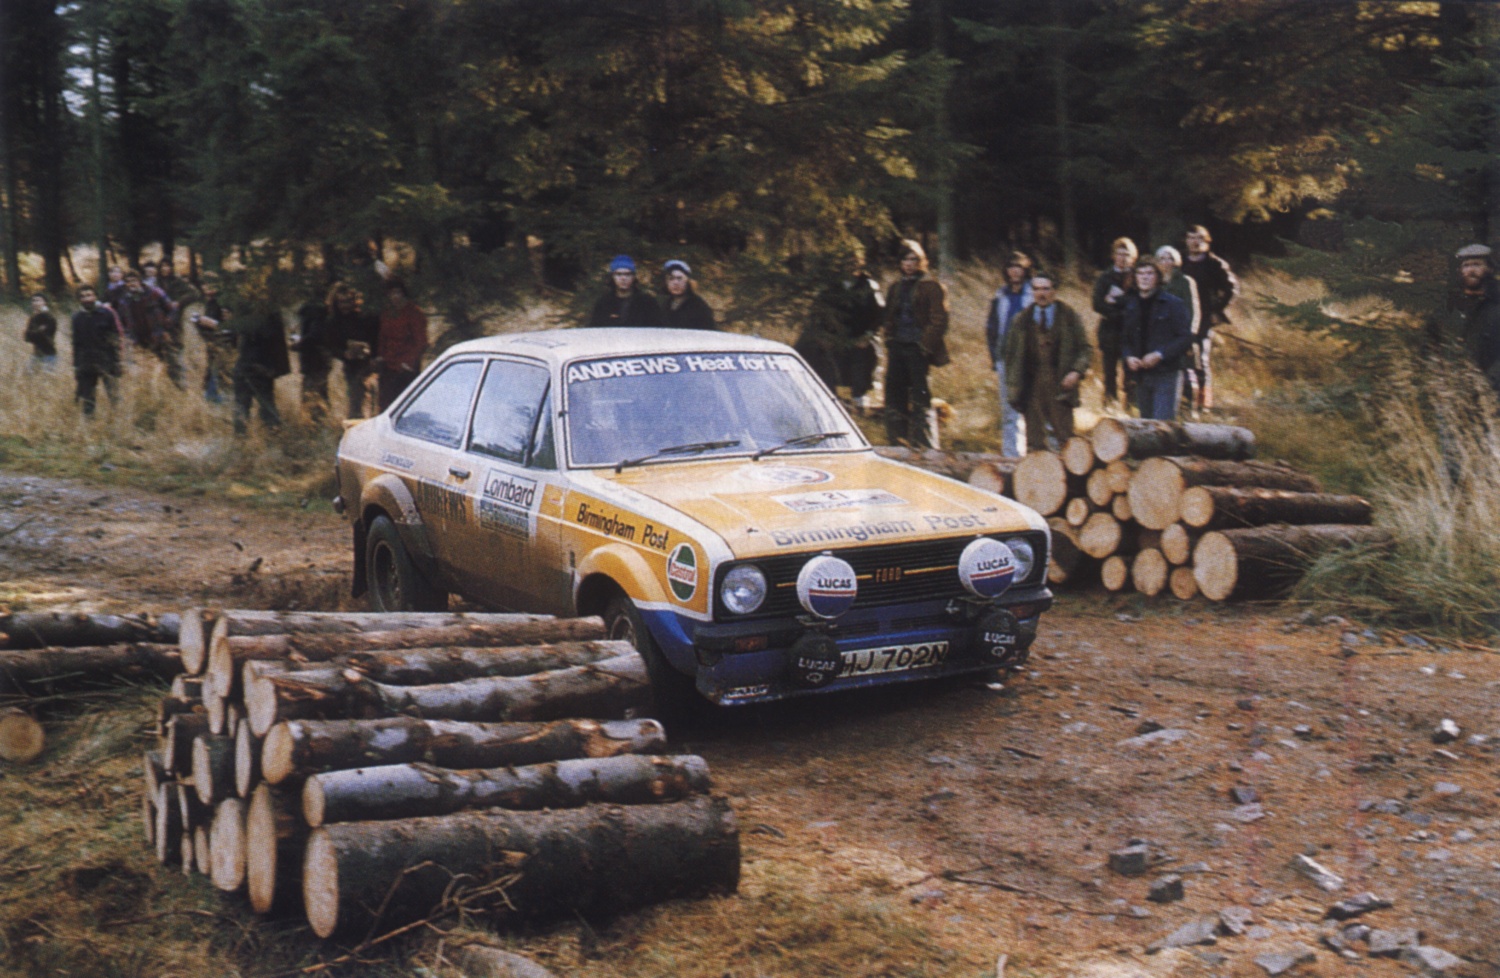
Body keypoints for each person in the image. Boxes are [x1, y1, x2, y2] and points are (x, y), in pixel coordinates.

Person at [1001, 271, 1091, 452]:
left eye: (1046, 289)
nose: (1041, 294)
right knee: (1035, 444)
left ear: (1054, 291)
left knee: (1065, 441)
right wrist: (1014, 388)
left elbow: (1085, 349)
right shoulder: (1021, 320)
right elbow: (1009, 356)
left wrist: (1076, 372)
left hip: (1061, 386)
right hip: (1031, 387)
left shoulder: (1069, 316)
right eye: (1036, 289)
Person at [882, 239, 950, 448]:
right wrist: (889, 339)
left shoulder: (932, 287)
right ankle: (898, 444)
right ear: (900, 262)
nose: (909, 264)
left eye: (914, 259)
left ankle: (927, 446)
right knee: (894, 396)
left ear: (921, 261)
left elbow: (939, 320)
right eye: (905, 259)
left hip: (917, 349)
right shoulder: (895, 287)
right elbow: (889, 317)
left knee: (921, 399)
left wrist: (924, 346)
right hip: (897, 347)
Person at [795, 250, 884, 408]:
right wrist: (825, 337)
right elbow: (818, 313)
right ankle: (830, 398)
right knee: (817, 354)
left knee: (863, 356)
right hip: (835, 338)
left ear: (861, 263)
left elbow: (880, 315)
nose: (850, 266)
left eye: (854, 261)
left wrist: (868, 335)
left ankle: (860, 398)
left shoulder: (869, 286)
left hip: (861, 338)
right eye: (846, 261)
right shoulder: (831, 287)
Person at [1122, 257, 1194, 420]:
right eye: (1140, 274)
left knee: (1162, 426)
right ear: (1134, 278)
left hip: (1167, 373)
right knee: (1146, 426)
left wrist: (1160, 354)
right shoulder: (1131, 305)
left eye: (1149, 273)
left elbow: (1185, 338)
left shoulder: (1173, 304)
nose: (1144, 277)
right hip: (1142, 375)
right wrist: (1128, 356)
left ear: (1158, 277)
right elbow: (1126, 339)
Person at [1179, 224, 1239, 412]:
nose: (1195, 242)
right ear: (1186, 241)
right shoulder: (1180, 262)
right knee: (1181, 358)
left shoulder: (1215, 264)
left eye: (1199, 238)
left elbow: (1231, 289)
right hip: (1181, 316)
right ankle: (1185, 401)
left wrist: (1217, 310)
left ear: (1207, 241)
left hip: (1204, 318)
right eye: (1191, 237)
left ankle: (1204, 404)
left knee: (1200, 360)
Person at [984, 251, 1035, 456]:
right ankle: (1011, 456)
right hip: (1006, 358)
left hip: (1030, 358)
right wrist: (995, 357)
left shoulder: (1033, 293)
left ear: (1025, 269)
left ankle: (1037, 454)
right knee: (1009, 410)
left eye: (1019, 267)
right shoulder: (1000, 295)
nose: (1015, 271)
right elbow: (991, 328)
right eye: (1011, 267)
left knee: (1033, 408)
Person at [230, 277, 291, 434]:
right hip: (248, 365)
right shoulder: (245, 309)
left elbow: (276, 341)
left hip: (260, 366)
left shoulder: (268, 313)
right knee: (243, 408)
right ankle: (243, 443)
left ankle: (270, 442)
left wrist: (275, 369)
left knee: (265, 409)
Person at [1444, 243, 1500, 393]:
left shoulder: (1496, 305)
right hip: (1452, 392)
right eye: (1466, 265)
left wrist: (1486, 385)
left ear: (1490, 268)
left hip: (1491, 393)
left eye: (1477, 264)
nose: (1471, 270)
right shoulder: (1451, 307)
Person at [114, 269, 184, 387]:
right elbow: (123, 322)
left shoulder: (154, 293)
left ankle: (182, 391)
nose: (132, 284)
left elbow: (172, 310)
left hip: (160, 337)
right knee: (149, 373)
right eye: (128, 281)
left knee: (173, 367)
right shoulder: (124, 301)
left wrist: (167, 328)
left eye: (134, 281)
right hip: (141, 342)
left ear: (140, 281)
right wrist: (129, 339)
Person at [325, 283, 381, 419]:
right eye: (341, 302)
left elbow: (376, 338)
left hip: (371, 362)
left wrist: (373, 355)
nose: (345, 306)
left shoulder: (365, 318)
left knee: (374, 398)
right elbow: (331, 346)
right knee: (355, 398)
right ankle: (356, 423)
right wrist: (344, 354)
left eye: (348, 301)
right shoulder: (333, 322)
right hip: (351, 366)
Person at [70, 285, 124, 417]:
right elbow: (76, 343)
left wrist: (117, 361)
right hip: (86, 362)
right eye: (83, 296)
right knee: (87, 398)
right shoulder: (77, 317)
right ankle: (89, 427)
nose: (87, 299)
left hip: (106, 360)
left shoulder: (106, 314)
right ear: (79, 299)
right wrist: (76, 365)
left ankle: (118, 421)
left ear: (95, 296)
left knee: (114, 395)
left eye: (89, 295)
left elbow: (116, 338)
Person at [375, 278, 428, 410]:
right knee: (386, 405)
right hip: (388, 366)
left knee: (404, 406)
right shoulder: (387, 314)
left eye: (398, 293)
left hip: (406, 367)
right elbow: (383, 337)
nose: (395, 297)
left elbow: (421, 342)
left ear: (404, 294)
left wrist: (409, 362)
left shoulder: (414, 313)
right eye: (392, 293)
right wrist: (381, 356)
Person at [585, 255, 662, 327]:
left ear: (633, 277)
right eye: (619, 274)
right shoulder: (604, 303)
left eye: (627, 274)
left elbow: (657, 330)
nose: (623, 278)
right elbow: (595, 330)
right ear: (612, 277)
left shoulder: (647, 302)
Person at [192, 276, 236, 404]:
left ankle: (224, 407)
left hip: (224, 346)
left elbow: (229, 327)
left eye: (210, 285)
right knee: (211, 375)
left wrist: (209, 323)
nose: (206, 288)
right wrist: (199, 323)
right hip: (213, 346)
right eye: (204, 285)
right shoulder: (209, 302)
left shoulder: (223, 301)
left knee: (222, 378)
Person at [292, 293, 334, 421]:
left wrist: (297, 344)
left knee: (313, 394)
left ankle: (317, 425)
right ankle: (318, 423)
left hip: (316, 360)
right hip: (316, 360)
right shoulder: (317, 309)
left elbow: (314, 337)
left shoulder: (316, 310)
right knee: (317, 393)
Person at [658, 259, 716, 329]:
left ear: (688, 282)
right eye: (671, 279)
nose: (675, 283)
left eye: (679, 278)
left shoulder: (698, 307)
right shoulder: (666, 304)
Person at [23, 294, 58, 372]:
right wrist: (38, 331)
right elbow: (26, 337)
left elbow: (45, 335)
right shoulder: (33, 318)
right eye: (33, 300)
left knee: (46, 380)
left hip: (49, 355)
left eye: (38, 300)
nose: (35, 303)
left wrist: (33, 333)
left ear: (44, 303)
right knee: (28, 377)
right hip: (36, 354)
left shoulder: (49, 317)